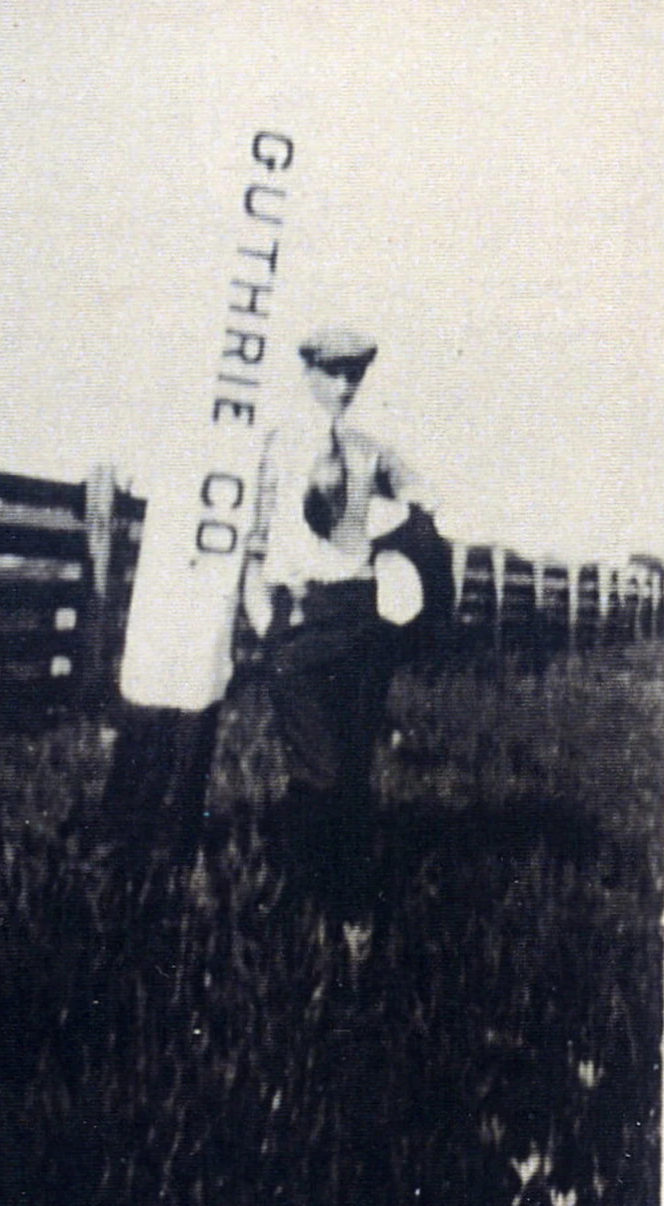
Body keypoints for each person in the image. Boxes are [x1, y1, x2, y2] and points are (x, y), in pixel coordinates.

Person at [241, 326, 453, 923]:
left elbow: (424, 496)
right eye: (331, 372)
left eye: (353, 374)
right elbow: (255, 535)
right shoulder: (277, 444)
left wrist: (401, 531)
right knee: (320, 771)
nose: (343, 386)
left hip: (359, 620)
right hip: (299, 617)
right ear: (306, 370)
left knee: (353, 770)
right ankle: (300, 900)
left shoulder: (367, 448)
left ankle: (346, 908)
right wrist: (261, 610)